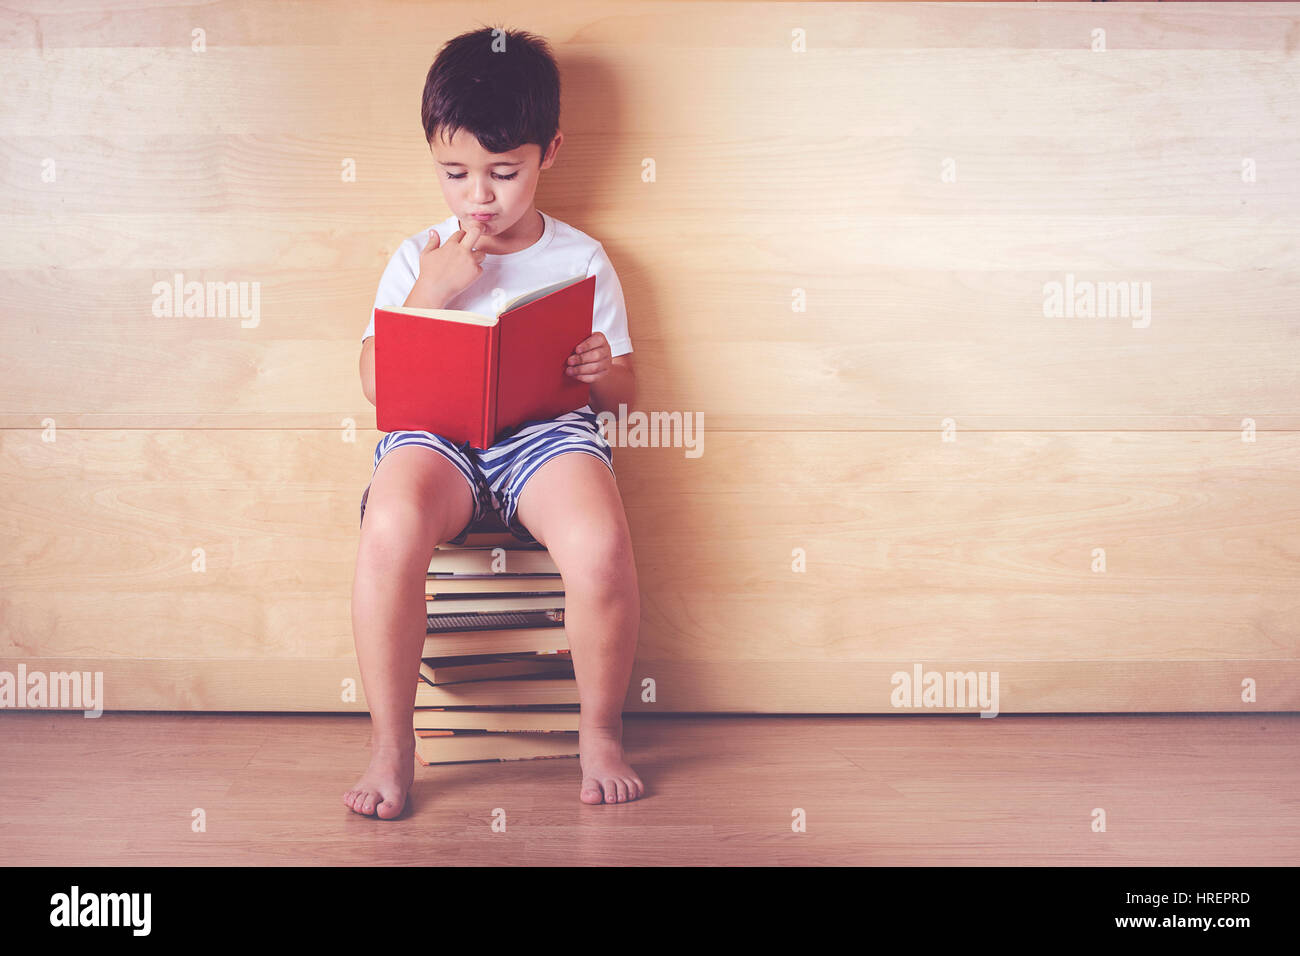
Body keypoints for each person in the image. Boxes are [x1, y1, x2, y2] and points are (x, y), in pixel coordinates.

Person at [345, 25, 644, 817]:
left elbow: (626, 391)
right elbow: (377, 386)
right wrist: (429, 296)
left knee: (601, 540)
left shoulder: (581, 258)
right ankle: (390, 744)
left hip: (544, 434)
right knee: (390, 521)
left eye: (503, 172)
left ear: (550, 153)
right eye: (455, 172)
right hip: (435, 435)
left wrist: (600, 371)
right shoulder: (420, 254)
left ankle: (602, 731)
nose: (478, 195)